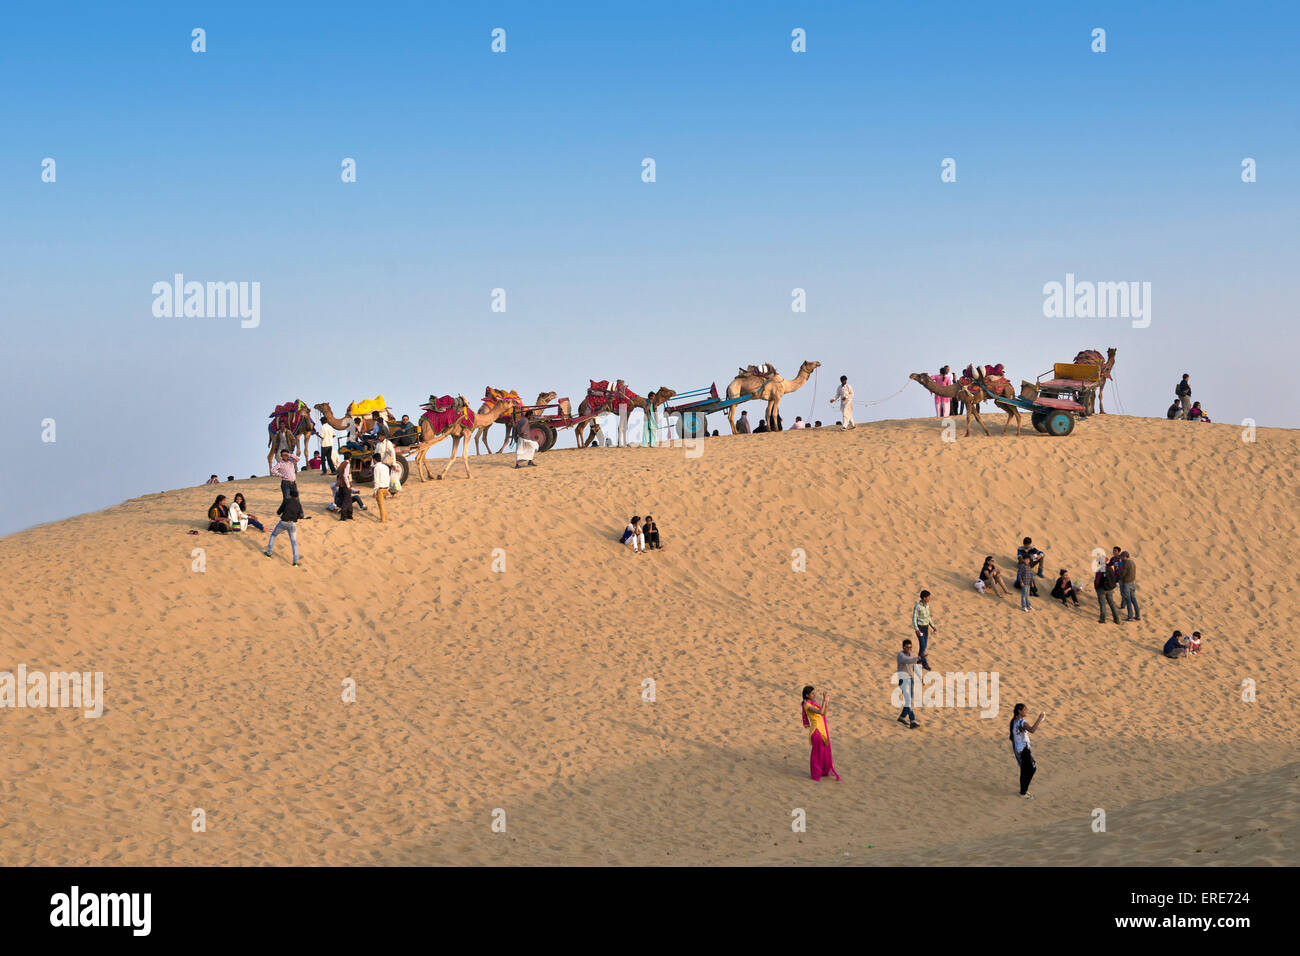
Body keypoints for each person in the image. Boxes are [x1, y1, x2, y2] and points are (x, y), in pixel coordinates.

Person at [801, 686, 841, 781]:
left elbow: (823, 713)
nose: (814, 695)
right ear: (807, 695)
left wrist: (826, 702)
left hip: (821, 730)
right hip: (816, 731)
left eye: (814, 693)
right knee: (817, 754)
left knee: (822, 753)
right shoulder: (807, 705)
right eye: (812, 694)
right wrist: (824, 700)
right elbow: (820, 711)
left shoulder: (813, 703)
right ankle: (816, 774)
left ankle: (822, 771)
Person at [1009, 703, 1044, 798]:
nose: (1026, 711)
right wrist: (1040, 718)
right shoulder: (1021, 722)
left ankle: (1023, 790)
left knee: (1026, 770)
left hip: (1020, 749)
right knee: (1031, 769)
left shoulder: (1013, 721)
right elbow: (1032, 730)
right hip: (1024, 750)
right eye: (1025, 709)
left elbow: (1013, 738)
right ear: (1019, 711)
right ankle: (1023, 792)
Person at [266, 488, 304, 565]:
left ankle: (269, 553)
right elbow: (301, 516)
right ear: (297, 497)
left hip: (283, 522)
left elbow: (279, 512)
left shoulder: (287, 501)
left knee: (273, 535)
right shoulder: (298, 504)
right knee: (294, 542)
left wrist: (282, 512)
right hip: (293, 524)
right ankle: (295, 561)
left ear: (290, 495)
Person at [895, 639, 923, 729]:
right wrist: (918, 658)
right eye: (907, 647)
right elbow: (907, 661)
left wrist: (921, 677)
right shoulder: (900, 655)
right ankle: (912, 720)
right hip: (903, 679)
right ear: (903, 647)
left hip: (911, 680)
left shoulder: (912, 655)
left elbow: (915, 667)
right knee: (908, 700)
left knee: (909, 700)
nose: (909, 649)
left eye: (910, 647)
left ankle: (902, 717)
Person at [911, 590, 937, 664]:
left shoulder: (927, 606)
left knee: (924, 646)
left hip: (926, 628)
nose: (929, 598)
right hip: (920, 628)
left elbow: (928, 617)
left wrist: (933, 626)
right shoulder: (917, 607)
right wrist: (917, 629)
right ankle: (919, 662)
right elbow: (914, 618)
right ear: (924, 598)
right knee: (922, 645)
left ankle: (919, 660)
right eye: (928, 597)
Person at [1119, 551, 1140, 621]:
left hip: (1127, 583)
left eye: (1122, 556)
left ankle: (1130, 616)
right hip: (1133, 583)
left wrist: (1119, 572)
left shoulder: (1125, 563)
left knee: (1128, 600)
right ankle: (1137, 615)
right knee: (1133, 599)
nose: (1121, 558)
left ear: (1125, 557)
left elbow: (1123, 574)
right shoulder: (1132, 562)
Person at [372, 458, 391, 523]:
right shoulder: (386, 467)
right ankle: (385, 517)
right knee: (382, 504)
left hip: (380, 488)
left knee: (381, 504)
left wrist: (374, 491)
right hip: (386, 487)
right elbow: (388, 477)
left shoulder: (376, 468)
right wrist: (388, 488)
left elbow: (376, 480)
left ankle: (383, 519)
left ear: (374, 460)